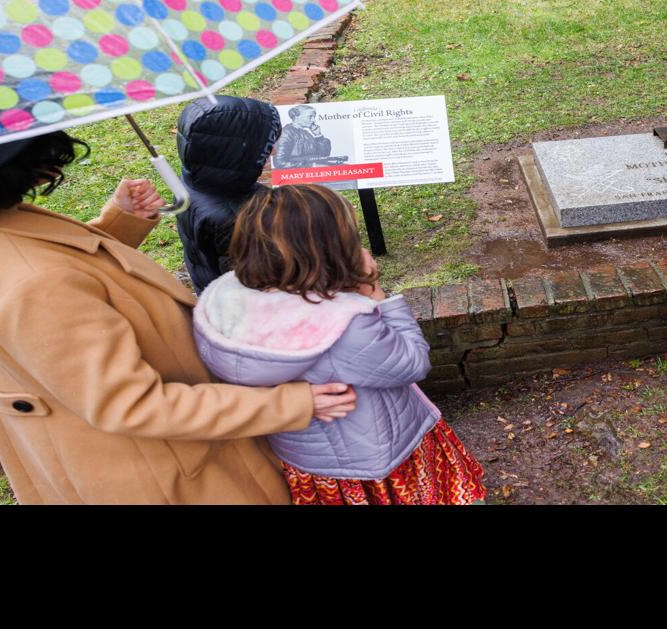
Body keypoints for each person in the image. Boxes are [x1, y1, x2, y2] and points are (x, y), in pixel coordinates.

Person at [0, 131, 358, 505]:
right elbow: (133, 403)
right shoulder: (37, 284)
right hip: (166, 473)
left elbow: (64, 285)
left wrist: (117, 225)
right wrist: (289, 405)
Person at [192, 184, 486, 505]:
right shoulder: (343, 325)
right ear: (329, 249)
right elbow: (412, 362)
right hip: (379, 457)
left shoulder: (224, 306)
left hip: (311, 463)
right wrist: (376, 295)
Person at [174, 95, 282, 295]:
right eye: (267, 145)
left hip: (212, 289)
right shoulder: (238, 220)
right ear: (235, 154)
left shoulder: (196, 179)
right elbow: (259, 289)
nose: (274, 151)